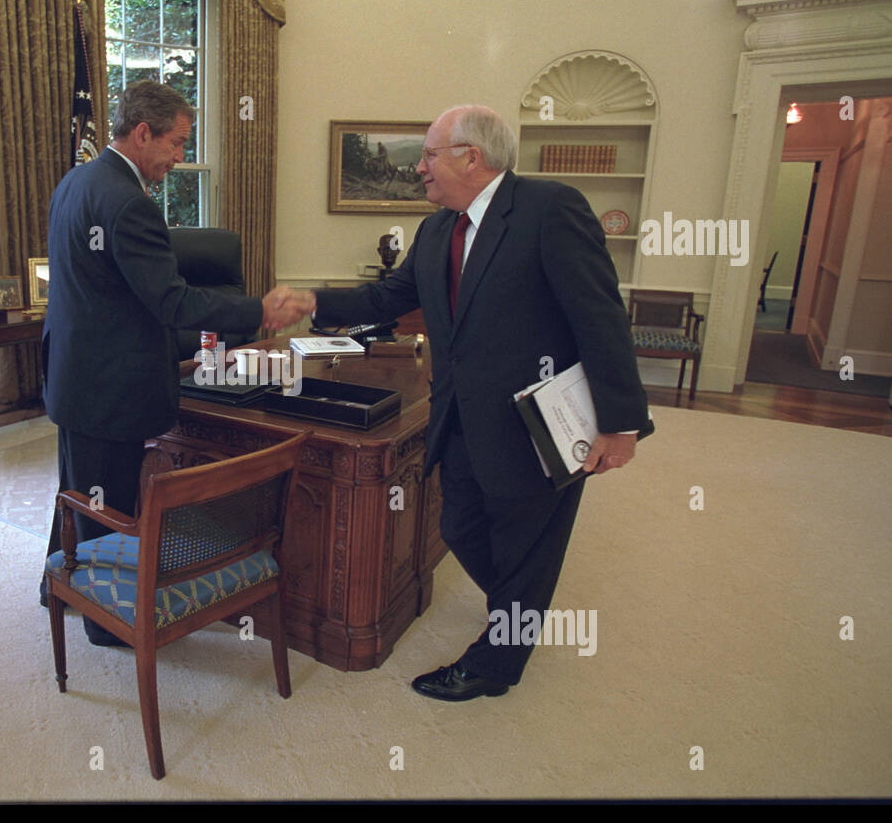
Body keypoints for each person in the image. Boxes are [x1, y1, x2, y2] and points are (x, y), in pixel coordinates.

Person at [273, 105, 649, 700]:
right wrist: (311, 299)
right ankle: (517, 612)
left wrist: (620, 424)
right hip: (461, 417)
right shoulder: (436, 229)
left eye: (428, 154)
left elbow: (600, 316)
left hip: (538, 423)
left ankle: (498, 662)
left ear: (470, 156)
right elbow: (386, 297)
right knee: (459, 526)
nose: (418, 167)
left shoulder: (549, 209)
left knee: (528, 544)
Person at [42, 80, 295, 646]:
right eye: (176, 144)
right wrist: (259, 308)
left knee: (78, 489)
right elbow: (173, 301)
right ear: (141, 134)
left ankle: (55, 585)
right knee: (107, 504)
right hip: (108, 387)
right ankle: (109, 627)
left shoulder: (77, 180)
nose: (180, 158)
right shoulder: (128, 202)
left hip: (74, 375)